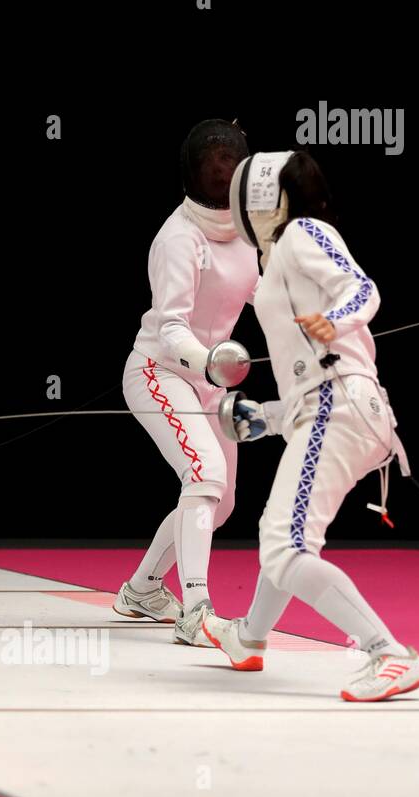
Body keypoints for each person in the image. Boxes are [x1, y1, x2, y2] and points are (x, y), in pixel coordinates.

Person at [202, 149, 419, 702]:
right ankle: (250, 638)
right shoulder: (282, 254)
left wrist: (333, 320)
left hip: (342, 407)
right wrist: (269, 417)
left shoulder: (304, 232)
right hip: (332, 408)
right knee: (283, 532)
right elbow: (308, 377)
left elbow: (363, 288)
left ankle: (389, 654)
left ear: (262, 199)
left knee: (284, 543)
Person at [113, 119, 258, 644]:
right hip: (160, 372)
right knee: (205, 476)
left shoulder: (245, 232)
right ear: (194, 172)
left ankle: (144, 588)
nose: (220, 171)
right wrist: (209, 362)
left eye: (229, 164)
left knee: (221, 503)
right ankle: (196, 609)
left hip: (210, 382)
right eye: (212, 164)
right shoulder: (178, 238)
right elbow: (171, 324)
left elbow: (254, 289)